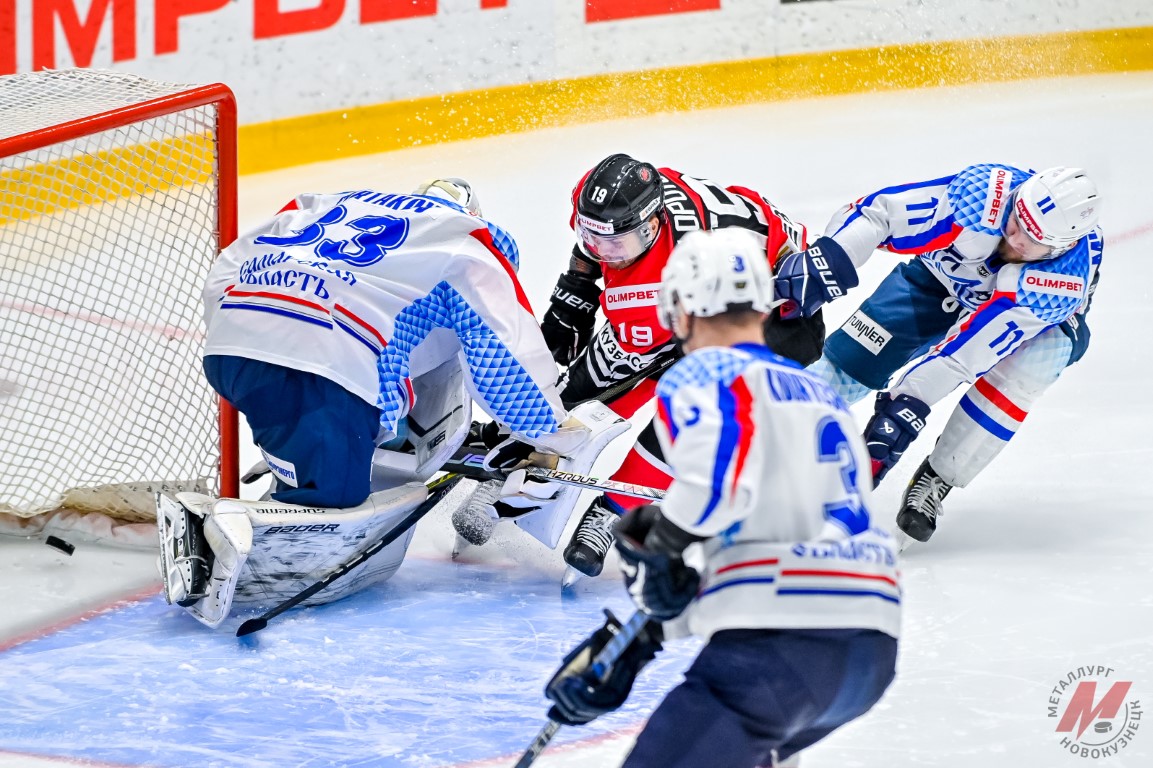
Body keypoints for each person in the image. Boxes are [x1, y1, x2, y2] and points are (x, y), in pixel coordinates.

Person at [156, 178, 623, 628]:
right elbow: (506, 363)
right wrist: (552, 434)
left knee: (305, 421)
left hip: (230, 346)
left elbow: (230, 263)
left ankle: (292, 463)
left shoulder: (329, 203)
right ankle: (216, 528)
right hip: (322, 365)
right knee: (335, 499)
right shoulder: (467, 245)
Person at [542, 228, 901, 768]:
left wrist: (659, 542)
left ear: (680, 309)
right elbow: (777, 530)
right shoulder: (819, 393)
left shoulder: (705, 372)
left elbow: (720, 490)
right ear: (762, 304)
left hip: (779, 646)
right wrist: (648, 637)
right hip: (869, 649)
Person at [455, 153, 826, 585]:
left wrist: (558, 410)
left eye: (614, 245)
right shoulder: (632, 203)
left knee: (682, 409)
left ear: (651, 227)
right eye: (590, 236)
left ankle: (611, 509)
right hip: (724, 285)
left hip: (778, 324)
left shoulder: (647, 289)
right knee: (603, 385)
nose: (601, 252)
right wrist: (576, 288)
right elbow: (599, 241)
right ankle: (520, 464)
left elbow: (620, 373)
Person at [774, 165, 1103, 542]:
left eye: (1033, 239)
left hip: (1031, 320)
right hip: (941, 280)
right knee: (846, 366)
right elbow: (878, 214)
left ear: (1059, 248)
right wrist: (828, 260)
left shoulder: (1055, 286)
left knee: (1035, 364)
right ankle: (758, 432)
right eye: (1016, 219)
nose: (1014, 237)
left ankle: (939, 477)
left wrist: (904, 411)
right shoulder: (981, 195)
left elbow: (961, 357)